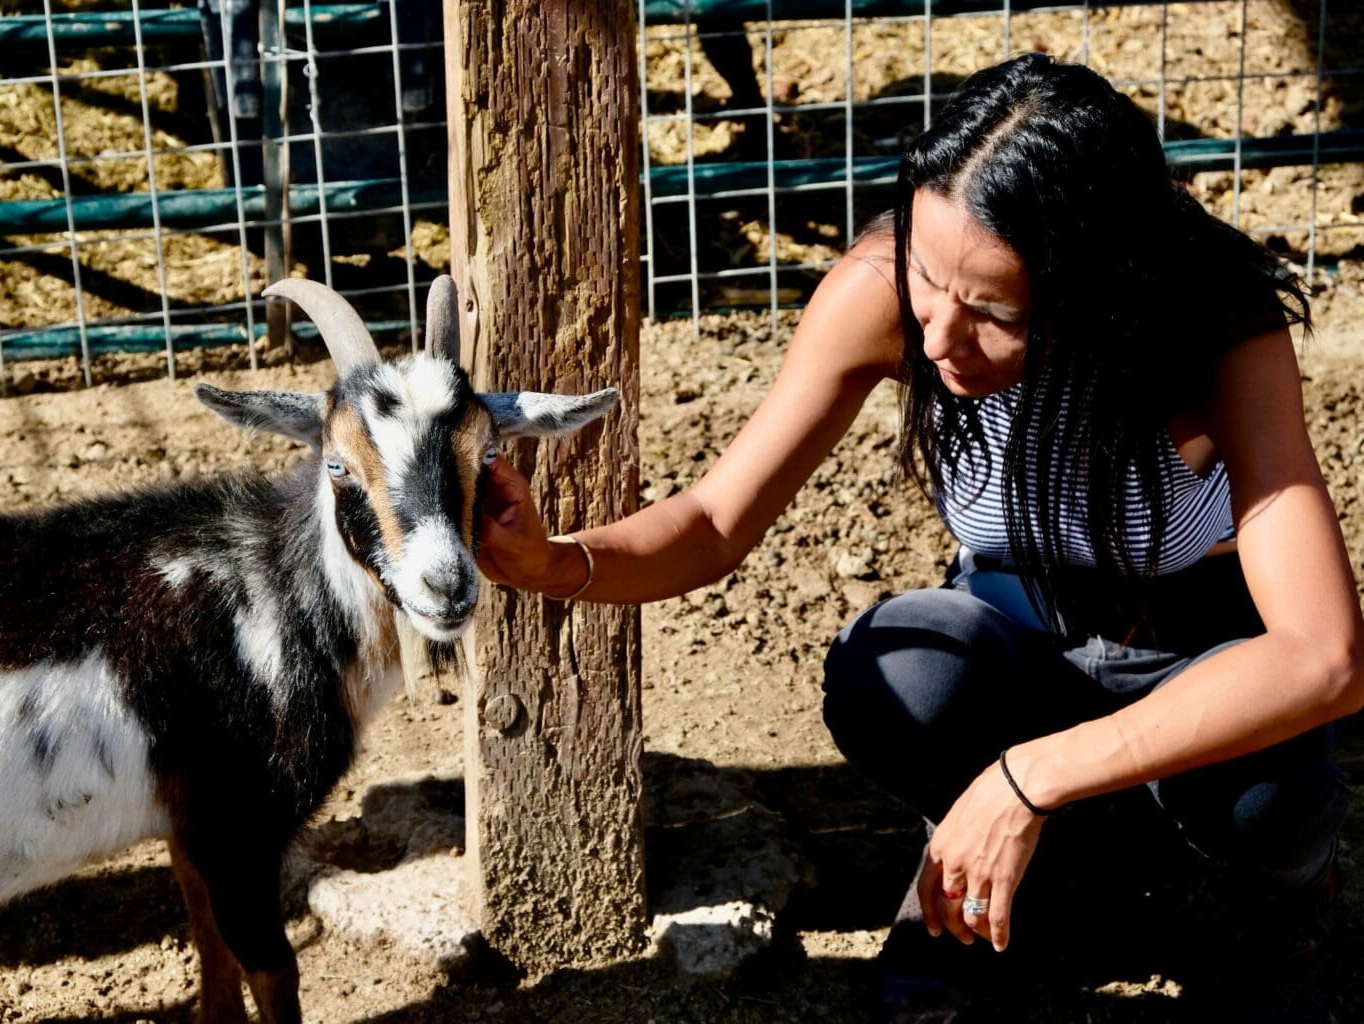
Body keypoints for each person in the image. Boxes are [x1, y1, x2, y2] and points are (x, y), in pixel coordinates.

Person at [474, 53, 1362, 1022]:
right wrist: (555, 563)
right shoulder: (882, 288)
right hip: (1018, 628)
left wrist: (1029, 775)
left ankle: (1283, 907)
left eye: (993, 312)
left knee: (1270, 803)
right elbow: (715, 521)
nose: (939, 337)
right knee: (897, 679)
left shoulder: (1212, 330)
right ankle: (986, 881)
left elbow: (1324, 657)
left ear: (1097, 292)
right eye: (930, 279)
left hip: (1193, 646)